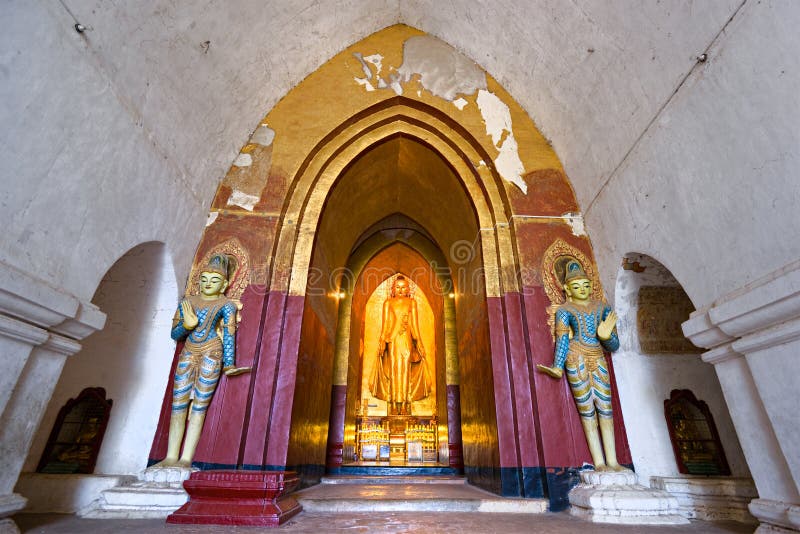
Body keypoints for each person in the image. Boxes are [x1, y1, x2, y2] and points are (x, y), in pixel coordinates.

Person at [154, 253, 249, 468]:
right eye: (204, 279)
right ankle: (170, 456)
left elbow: (229, 335)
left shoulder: (226, 305)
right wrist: (187, 325)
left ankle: (186, 458)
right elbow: (175, 335)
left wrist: (229, 364)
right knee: (178, 403)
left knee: (199, 405)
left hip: (212, 352)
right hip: (188, 351)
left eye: (214, 280)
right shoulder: (188, 302)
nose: (208, 284)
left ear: (224, 284)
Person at [536, 259, 624, 471]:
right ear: (567, 288)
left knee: (605, 407)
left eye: (585, 285)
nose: (582, 289)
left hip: (597, 355)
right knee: (586, 409)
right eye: (576, 286)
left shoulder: (602, 307)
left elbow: (614, 344)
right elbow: (563, 339)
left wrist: (605, 336)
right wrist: (558, 365)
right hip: (575, 358)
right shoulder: (565, 310)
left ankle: (613, 460)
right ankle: (600, 462)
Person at [370, 275, 431, 416]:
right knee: (394, 371)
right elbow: (385, 325)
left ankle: (404, 404)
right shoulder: (388, 303)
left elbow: (415, 326)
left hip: (406, 339)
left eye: (403, 287)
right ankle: (392, 404)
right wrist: (381, 342)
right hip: (392, 339)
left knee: (405, 371)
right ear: (392, 289)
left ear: (408, 289)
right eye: (397, 287)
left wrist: (420, 343)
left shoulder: (412, 303)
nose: (400, 290)